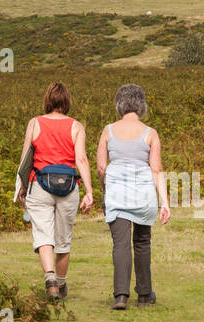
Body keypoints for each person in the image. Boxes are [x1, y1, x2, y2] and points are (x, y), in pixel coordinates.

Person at [16, 82, 94, 300]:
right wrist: (89, 191)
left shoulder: (34, 123)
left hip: (39, 184)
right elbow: (81, 159)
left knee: (43, 234)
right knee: (63, 239)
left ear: (47, 100)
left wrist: (22, 186)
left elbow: (25, 158)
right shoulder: (76, 126)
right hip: (69, 187)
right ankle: (60, 284)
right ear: (67, 101)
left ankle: (50, 279)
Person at [97, 84, 170, 310]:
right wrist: (164, 202)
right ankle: (145, 294)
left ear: (119, 105)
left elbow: (101, 167)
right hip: (143, 195)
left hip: (117, 194)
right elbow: (156, 170)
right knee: (142, 242)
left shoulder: (108, 131)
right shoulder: (150, 133)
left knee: (120, 244)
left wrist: (105, 188)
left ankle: (120, 295)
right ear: (141, 105)